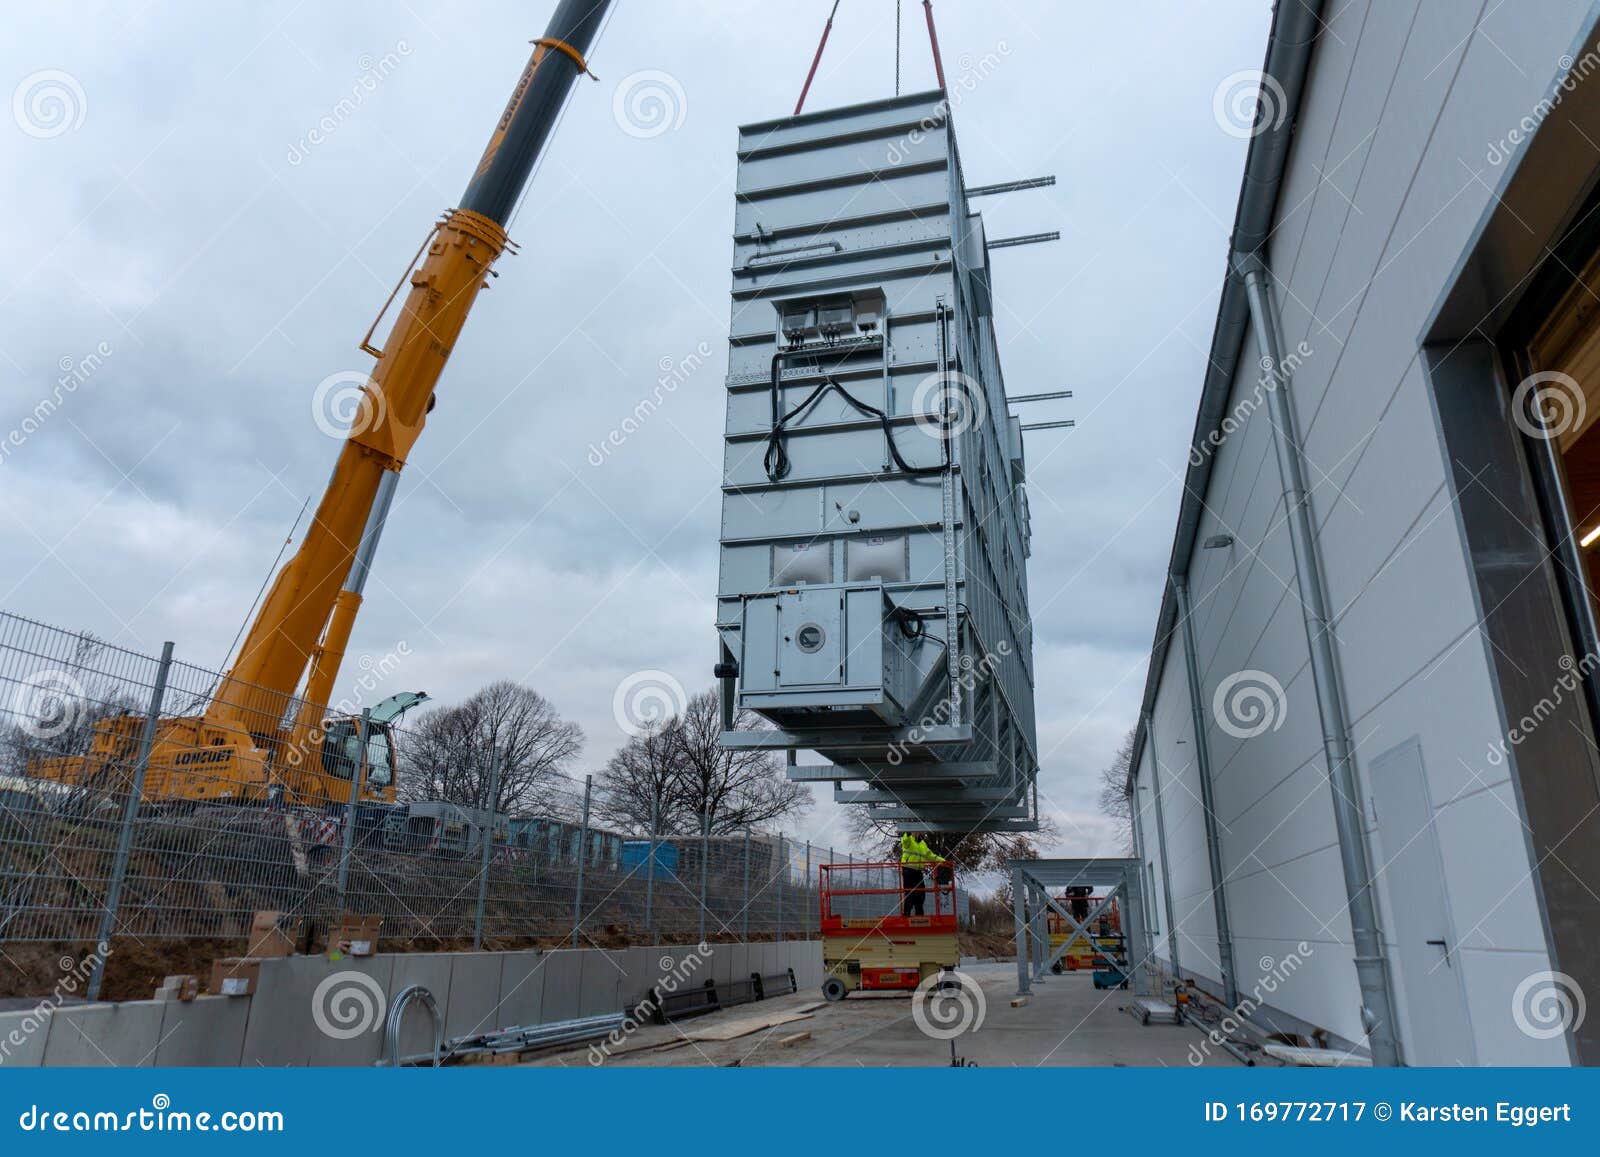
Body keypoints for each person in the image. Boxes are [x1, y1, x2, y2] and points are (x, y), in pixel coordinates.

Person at [899, 831, 933, 917]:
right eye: (915, 831)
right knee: (910, 893)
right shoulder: (909, 839)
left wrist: (943, 861)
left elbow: (931, 855)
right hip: (908, 869)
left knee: (921, 893)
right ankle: (906, 914)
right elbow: (904, 841)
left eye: (918, 831)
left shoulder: (923, 844)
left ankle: (919, 914)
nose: (917, 833)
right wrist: (908, 833)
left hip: (918, 871)